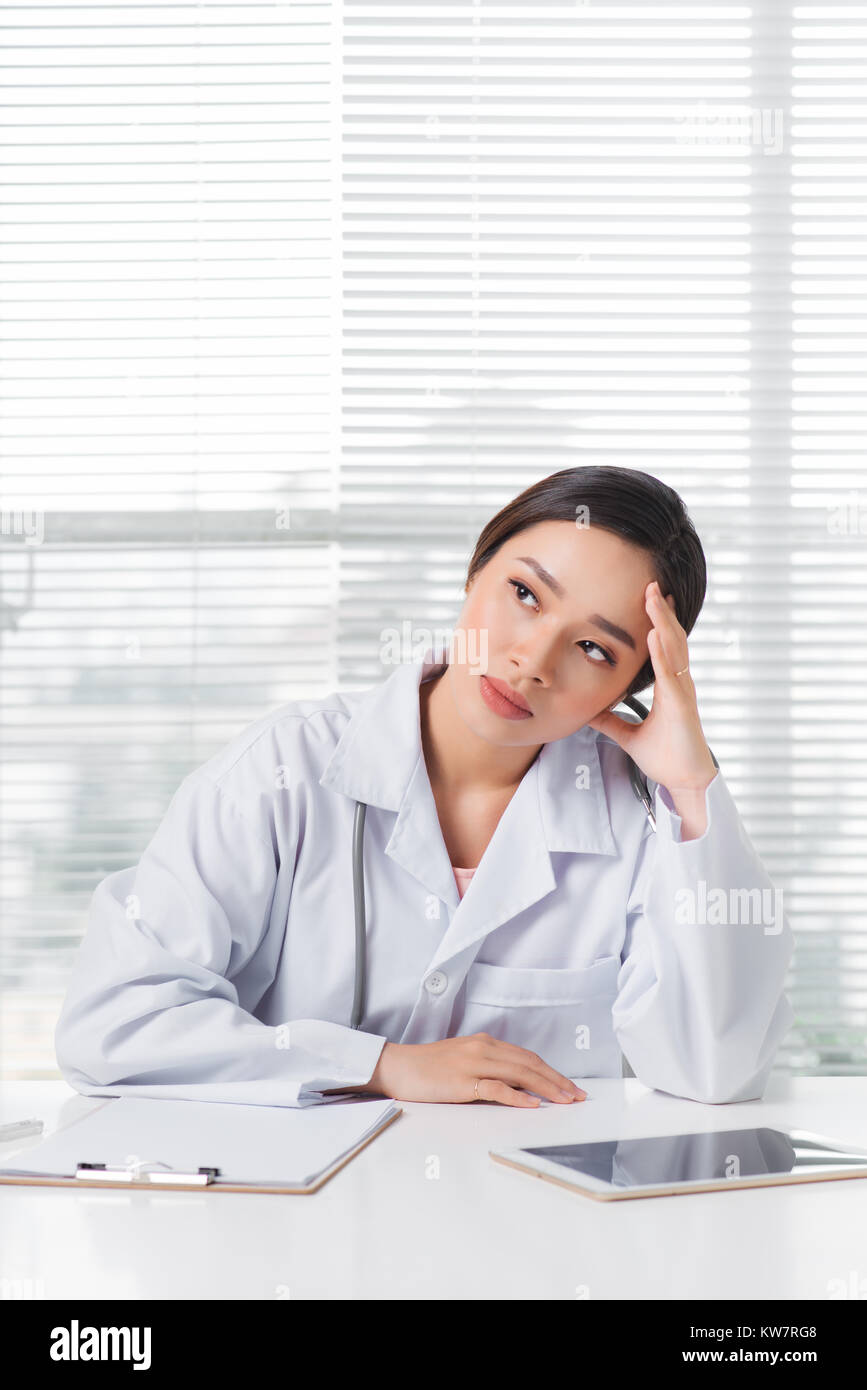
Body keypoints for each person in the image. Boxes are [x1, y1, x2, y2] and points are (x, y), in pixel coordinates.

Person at [55, 466, 794, 1109]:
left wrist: (691, 789)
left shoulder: (643, 816)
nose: (531, 659)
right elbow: (113, 1024)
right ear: (474, 571)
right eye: (525, 594)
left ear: (631, 686)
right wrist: (378, 1066)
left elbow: (714, 1069)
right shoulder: (283, 771)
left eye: (595, 648)